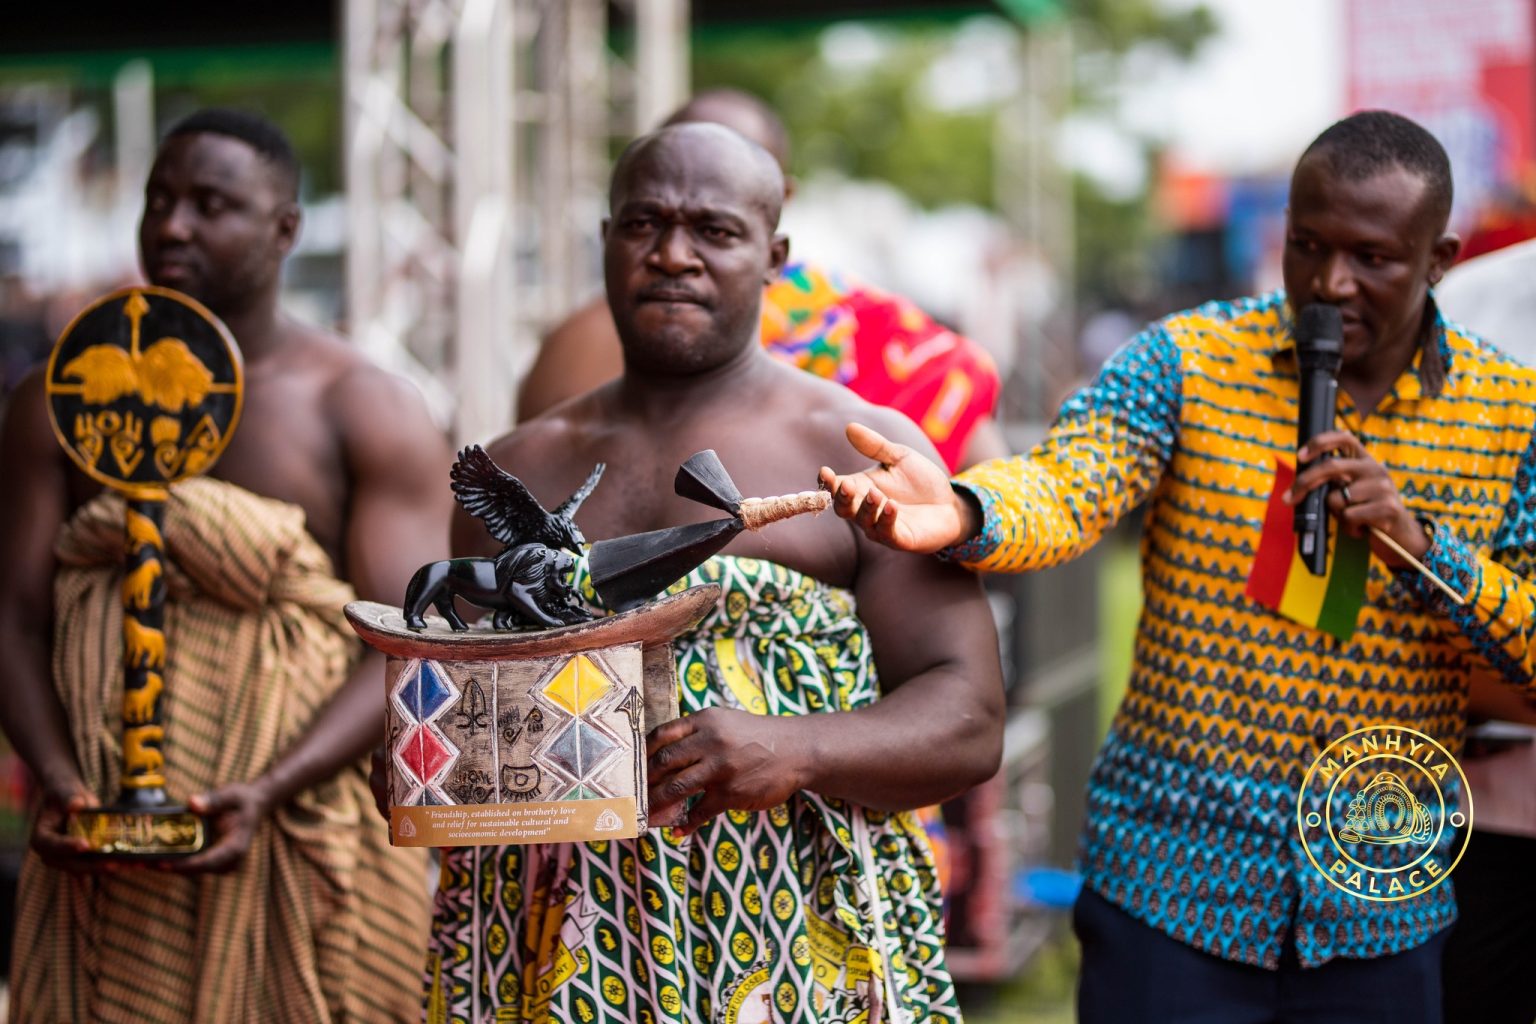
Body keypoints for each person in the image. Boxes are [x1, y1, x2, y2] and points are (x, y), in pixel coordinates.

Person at [820, 110, 1536, 1022]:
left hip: (1378, 902)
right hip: (1173, 887)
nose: (1329, 284)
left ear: (1439, 258)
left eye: (1374, 258)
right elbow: (1071, 482)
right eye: (1306, 245)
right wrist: (965, 508)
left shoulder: (1512, 418)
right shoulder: (1188, 361)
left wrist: (1425, 550)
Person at [419, 122, 1004, 1023]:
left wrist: (801, 747)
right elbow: (464, 719)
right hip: (550, 959)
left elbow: (967, 717)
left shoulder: (853, 450)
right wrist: (429, 762)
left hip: (802, 951)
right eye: (644, 224)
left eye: (714, 231)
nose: (674, 255)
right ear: (607, 241)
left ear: (774, 257)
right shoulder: (520, 464)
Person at [0, 109, 452, 1022]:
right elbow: (11, 615)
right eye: (159, 200)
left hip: (305, 838)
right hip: (105, 856)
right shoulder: (59, 401)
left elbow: (414, 637)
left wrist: (271, 787)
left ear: (286, 228)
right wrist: (58, 780)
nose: (172, 226)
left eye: (212, 205)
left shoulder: (361, 406)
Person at [515, 87, 1007, 472]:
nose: (675, 256)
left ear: (778, 202)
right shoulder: (584, 345)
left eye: (714, 222)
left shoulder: (872, 330)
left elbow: (983, 484)